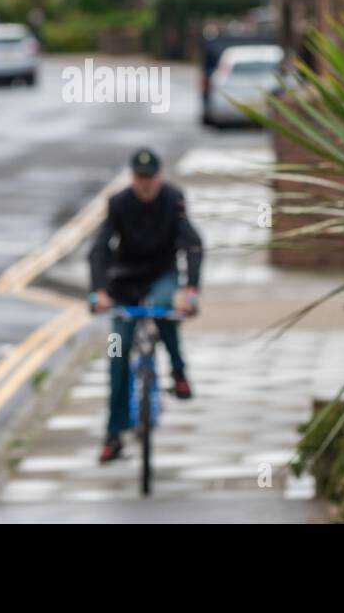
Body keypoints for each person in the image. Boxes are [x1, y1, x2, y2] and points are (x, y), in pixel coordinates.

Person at [89, 147, 202, 464]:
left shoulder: (173, 198)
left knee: (166, 308)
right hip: (123, 283)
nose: (146, 184)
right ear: (132, 178)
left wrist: (191, 289)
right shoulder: (119, 203)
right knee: (117, 353)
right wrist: (98, 291)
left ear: (160, 176)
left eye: (151, 177)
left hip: (162, 277)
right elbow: (99, 249)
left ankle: (179, 373)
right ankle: (114, 434)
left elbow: (192, 243)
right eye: (140, 178)